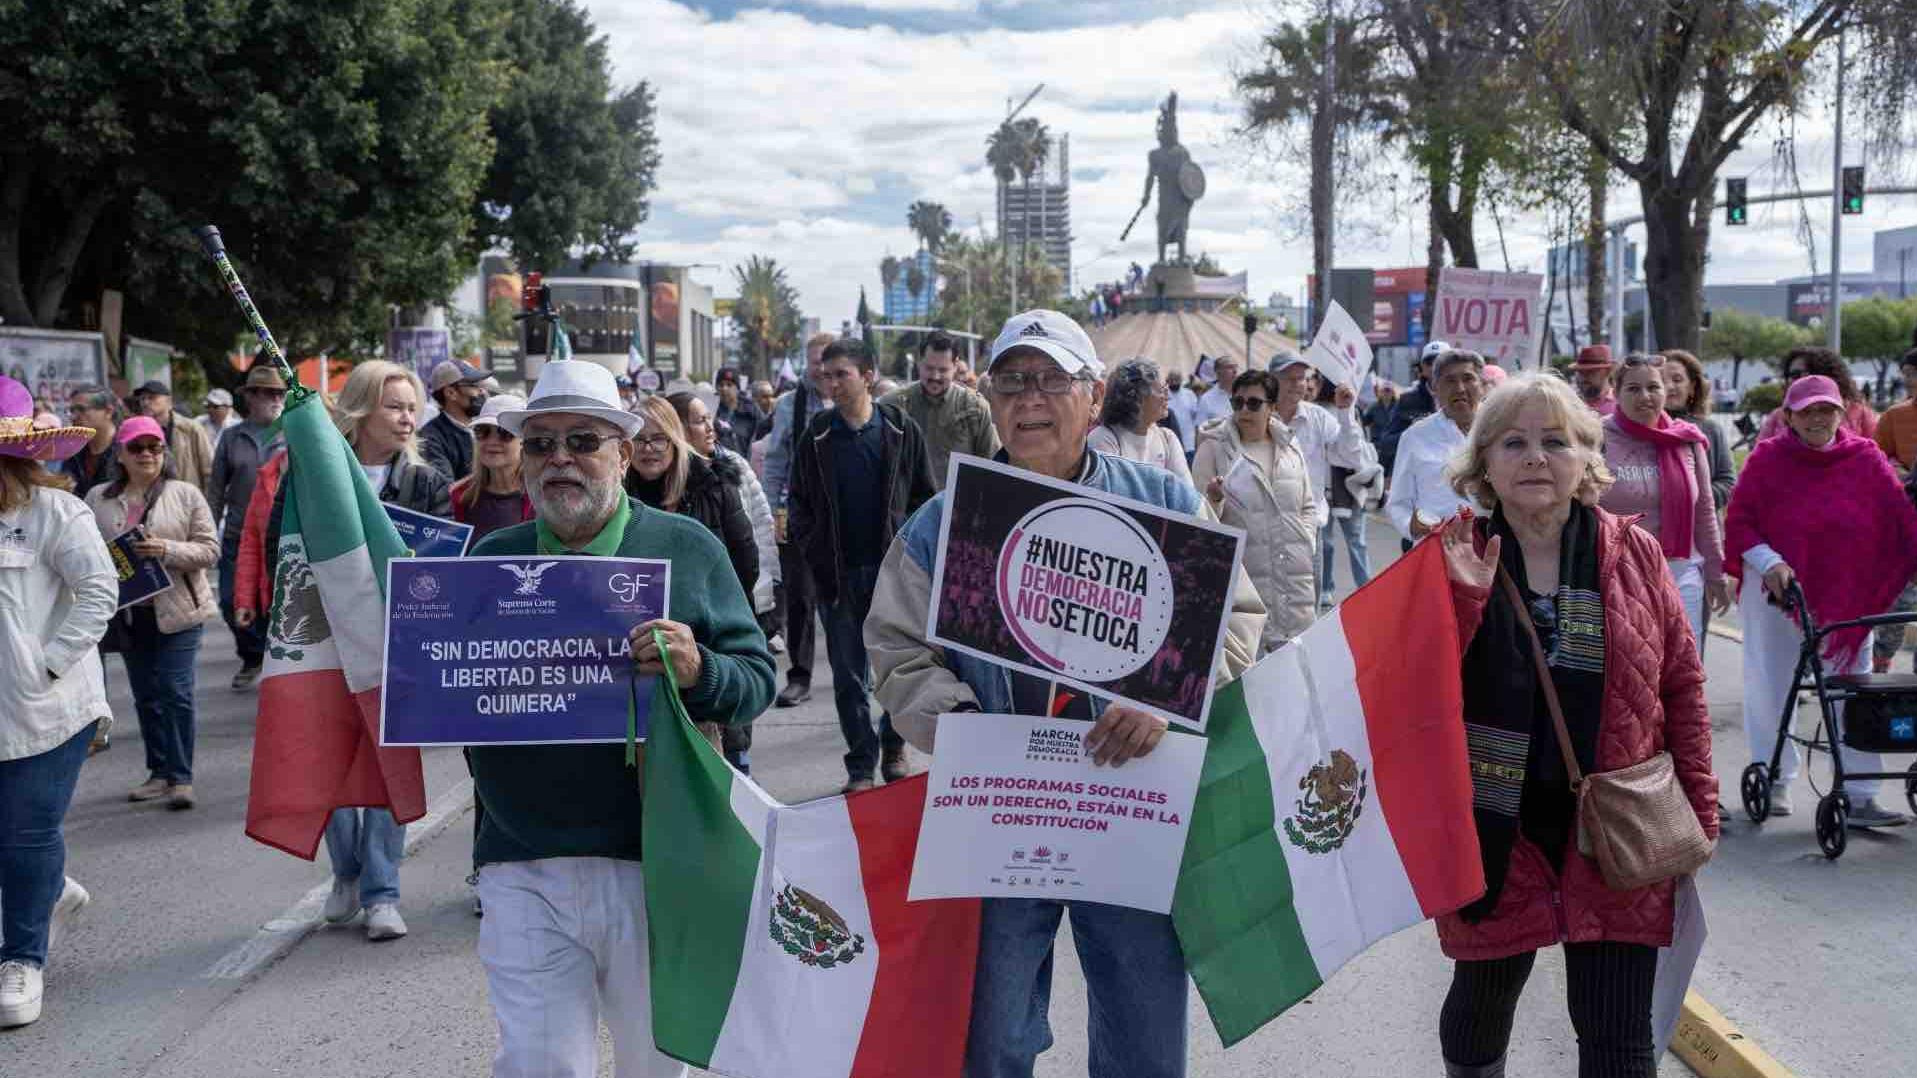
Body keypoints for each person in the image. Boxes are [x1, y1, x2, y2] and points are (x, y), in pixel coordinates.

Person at [866, 310, 1264, 1078]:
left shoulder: (1166, 506)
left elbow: (1238, 625)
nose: (1030, 399)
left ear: (1094, 395)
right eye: (1012, 381)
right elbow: (894, 648)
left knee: (1144, 1035)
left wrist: (1167, 700)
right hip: (999, 813)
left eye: (1051, 380)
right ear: (989, 396)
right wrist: (961, 726)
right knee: (990, 1036)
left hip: (1131, 803)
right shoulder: (946, 522)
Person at [469, 360, 773, 1078]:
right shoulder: (489, 562)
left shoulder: (685, 549)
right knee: (541, 1064)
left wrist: (699, 670)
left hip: (658, 858)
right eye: (540, 444)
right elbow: (452, 695)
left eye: (582, 440)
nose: (560, 459)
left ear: (621, 451)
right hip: (523, 860)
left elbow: (755, 680)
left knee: (657, 1066)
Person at [1434, 371, 1715, 1078]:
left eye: (1554, 441)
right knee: (1481, 1002)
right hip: (1494, 825)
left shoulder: (1634, 554)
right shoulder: (1448, 555)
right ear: (1482, 465)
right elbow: (1407, 691)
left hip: (1618, 822)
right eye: (1513, 442)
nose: (1535, 457)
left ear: (1585, 460)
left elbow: (1680, 683)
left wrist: (1700, 811)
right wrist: (1463, 602)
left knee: (1616, 1034)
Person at [269, 361, 450, 941]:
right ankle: (345, 870)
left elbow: (446, 557)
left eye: (412, 406)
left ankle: (382, 891)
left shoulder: (427, 479)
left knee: (387, 761)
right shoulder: (313, 473)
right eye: (394, 405)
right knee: (331, 758)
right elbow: (285, 546)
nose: (407, 417)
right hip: (326, 637)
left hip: (394, 645)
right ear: (362, 408)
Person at [1725, 374, 1917, 826]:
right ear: (1788, 416)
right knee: (1772, 687)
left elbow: (1899, 520)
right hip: (1778, 592)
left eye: (1826, 409)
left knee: (1854, 692)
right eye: (1807, 410)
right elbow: (1741, 522)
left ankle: (1862, 793)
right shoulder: (1768, 459)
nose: (1817, 418)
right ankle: (1775, 777)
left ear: (1842, 412)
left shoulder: (1865, 458)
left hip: (1850, 595)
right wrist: (1769, 561)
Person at [0, 376, 116, 1030]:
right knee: (16, 843)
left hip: (47, 708)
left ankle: (21, 958)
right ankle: (49, 889)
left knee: (24, 830)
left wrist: (46, 663)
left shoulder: (55, 514)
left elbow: (98, 593)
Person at [790, 339, 935, 791]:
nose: (832, 383)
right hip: (838, 577)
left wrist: (913, 558)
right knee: (849, 678)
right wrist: (815, 552)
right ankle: (859, 765)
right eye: (826, 376)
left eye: (842, 374)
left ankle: (894, 746)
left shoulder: (899, 429)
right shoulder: (817, 436)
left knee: (896, 670)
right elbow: (800, 504)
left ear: (868, 375)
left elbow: (924, 499)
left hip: (892, 577)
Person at [84, 416, 219, 810]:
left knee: (175, 692)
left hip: (180, 613)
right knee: (146, 696)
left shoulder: (185, 494)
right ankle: (158, 773)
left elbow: (210, 550)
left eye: (155, 447)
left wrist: (167, 550)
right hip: (128, 615)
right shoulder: (99, 499)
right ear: (120, 454)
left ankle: (181, 778)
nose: (147, 455)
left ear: (165, 452)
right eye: (137, 448)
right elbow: (86, 551)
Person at [668, 389, 775, 772]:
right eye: (698, 420)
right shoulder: (639, 489)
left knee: (730, 719)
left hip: (726, 613)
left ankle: (738, 774)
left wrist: (760, 597)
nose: (710, 427)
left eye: (706, 418)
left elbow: (754, 542)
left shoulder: (725, 476)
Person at [1600, 353, 1730, 647]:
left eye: (1653, 387)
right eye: (1633, 388)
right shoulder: (1595, 437)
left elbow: (1704, 511)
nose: (1644, 396)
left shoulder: (1688, 440)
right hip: (1617, 572)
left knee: (1684, 664)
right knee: (1631, 666)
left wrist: (1715, 572)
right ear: (1616, 393)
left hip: (1680, 571)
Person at [1192, 369, 1320, 651]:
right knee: (1250, 679)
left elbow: (1308, 505)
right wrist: (1214, 499)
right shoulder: (1213, 449)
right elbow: (1196, 520)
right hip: (1244, 585)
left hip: (1295, 582)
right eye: (1237, 403)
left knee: (1296, 674)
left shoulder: (1290, 447)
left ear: (1272, 408)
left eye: (1254, 403)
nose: (1244, 410)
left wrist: (1306, 540)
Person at [764, 332, 837, 707]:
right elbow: (776, 463)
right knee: (800, 599)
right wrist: (775, 513)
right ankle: (800, 677)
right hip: (799, 517)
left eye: (829, 360)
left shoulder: (855, 401)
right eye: (815, 361)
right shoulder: (789, 406)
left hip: (845, 519)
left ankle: (858, 672)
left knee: (853, 599)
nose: (822, 369)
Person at [206, 365, 288, 690]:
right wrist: (208, 531)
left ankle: (277, 663)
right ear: (250, 397)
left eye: (278, 393)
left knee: (274, 606)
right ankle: (252, 655)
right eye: (265, 393)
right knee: (229, 602)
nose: (273, 399)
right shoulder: (231, 437)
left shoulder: (290, 434)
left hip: (280, 536)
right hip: (237, 533)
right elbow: (216, 489)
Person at [1268, 356, 1366, 609]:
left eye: (1301, 378)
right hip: (1264, 523)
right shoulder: (1258, 413)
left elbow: (1350, 456)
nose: (1296, 384)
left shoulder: (1318, 417)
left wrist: (1346, 413)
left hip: (1307, 525)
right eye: (1289, 378)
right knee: (1266, 604)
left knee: (1306, 605)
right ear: (1271, 381)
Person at [1386, 348, 1487, 549]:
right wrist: (1411, 526)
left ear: (1482, 385)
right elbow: (1397, 503)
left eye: (1468, 378)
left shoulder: (1501, 430)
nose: (1460, 388)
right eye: (1450, 381)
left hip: (1493, 550)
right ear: (1434, 388)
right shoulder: (1415, 437)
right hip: (1436, 551)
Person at [881, 331, 1000, 491]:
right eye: (929, 368)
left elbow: (993, 465)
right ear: (918, 362)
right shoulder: (892, 405)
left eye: (943, 370)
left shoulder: (975, 408)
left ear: (955, 366)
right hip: (908, 511)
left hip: (958, 507)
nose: (935, 376)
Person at [1868, 347, 1917, 671]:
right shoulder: (1894, 417)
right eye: (1907, 373)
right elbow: (1874, 459)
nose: (1910, 379)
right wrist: (1894, 471)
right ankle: (1880, 664)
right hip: (1905, 522)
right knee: (1899, 603)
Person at [1088, 358, 1195, 489]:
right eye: (1161, 390)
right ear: (1137, 397)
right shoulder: (1104, 439)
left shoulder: (1167, 439)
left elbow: (1186, 494)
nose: (1168, 396)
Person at [450, 394, 533, 545]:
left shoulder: (542, 497)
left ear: (524, 441)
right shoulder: (458, 495)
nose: (492, 441)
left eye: (505, 433)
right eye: (483, 431)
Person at [1659, 349, 1734, 509]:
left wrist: (1691, 497)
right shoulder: (1643, 429)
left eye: (1677, 379)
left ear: (1692, 386)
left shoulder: (1711, 430)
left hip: (1701, 526)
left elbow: (1728, 482)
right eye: (1661, 380)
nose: (1669, 386)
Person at [1757, 346, 1877, 443]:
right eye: (1792, 375)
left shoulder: (1861, 414)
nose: (1794, 380)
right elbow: (1759, 462)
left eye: (1826, 410)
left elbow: (1880, 457)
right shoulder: (1777, 417)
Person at [1376, 340, 1448, 472]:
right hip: (1420, 475)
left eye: (1441, 362)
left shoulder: (1464, 397)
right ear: (1422, 368)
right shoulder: (1407, 400)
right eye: (1429, 362)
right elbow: (1386, 444)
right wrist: (1414, 431)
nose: (1435, 367)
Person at [132, 381, 215, 493]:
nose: (145, 403)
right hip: (152, 499)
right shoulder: (137, 432)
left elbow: (209, 470)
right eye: (142, 399)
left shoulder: (191, 428)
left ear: (169, 402)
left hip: (186, 499)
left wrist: (206, 504)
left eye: (152, 398)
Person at [419, 359, 489, 483]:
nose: (482, 391)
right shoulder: (430, 438)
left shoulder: (486, 428)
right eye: (474, 385)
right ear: (451, 393)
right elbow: (445, 491)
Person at [61, 386, 122, 501]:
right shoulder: (73, 452)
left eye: (81, 409)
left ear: (108, 411)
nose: (74, 416)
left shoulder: (129, 449)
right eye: (72, 411)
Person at [711, 367, 761, 458]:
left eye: (729, 385)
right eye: (721, 385)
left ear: (737, 388)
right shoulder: (711, 411)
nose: (724, 389)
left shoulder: (751, 412)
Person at [1569, 344, 1618, 415]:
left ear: (1608, 371)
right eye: (1580, 372)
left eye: (1591, 371)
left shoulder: (1621, 404)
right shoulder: (1570, 404)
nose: (1584, 377)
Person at [1195, 354, 1239, 429]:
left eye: (1236, 367)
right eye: (1230, 367)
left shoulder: (1244, 395)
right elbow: (1200, 430)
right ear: (1218, 372)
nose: (1235, 371)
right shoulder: (1206, 399)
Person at [1166, 369, 1201, 461]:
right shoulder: (1164, 395)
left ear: (1181, 380)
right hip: (1170, 442)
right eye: (1172, 380)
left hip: (1189, 442)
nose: (1174, 382)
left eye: (1176, 380)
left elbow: (1196, 416)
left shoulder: (1189, 394)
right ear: (1167, 381)